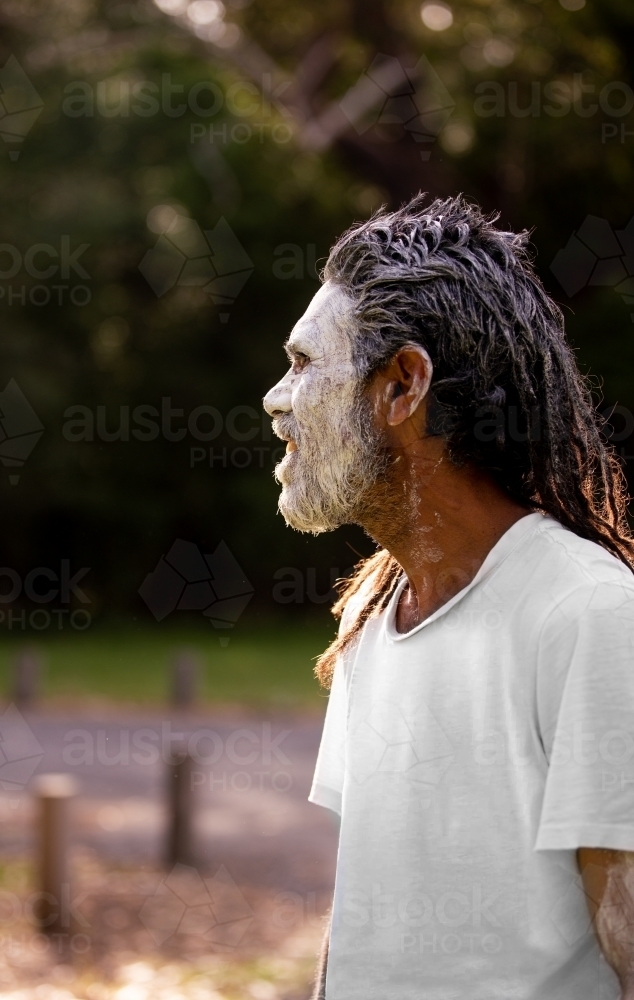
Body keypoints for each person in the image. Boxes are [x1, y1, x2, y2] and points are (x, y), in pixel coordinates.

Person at [262, 195, 634, 1000]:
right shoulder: (369, 621)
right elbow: (359, 918)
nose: (276, 400)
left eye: (301, 363)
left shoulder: (587, 614)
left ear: (402, 386)